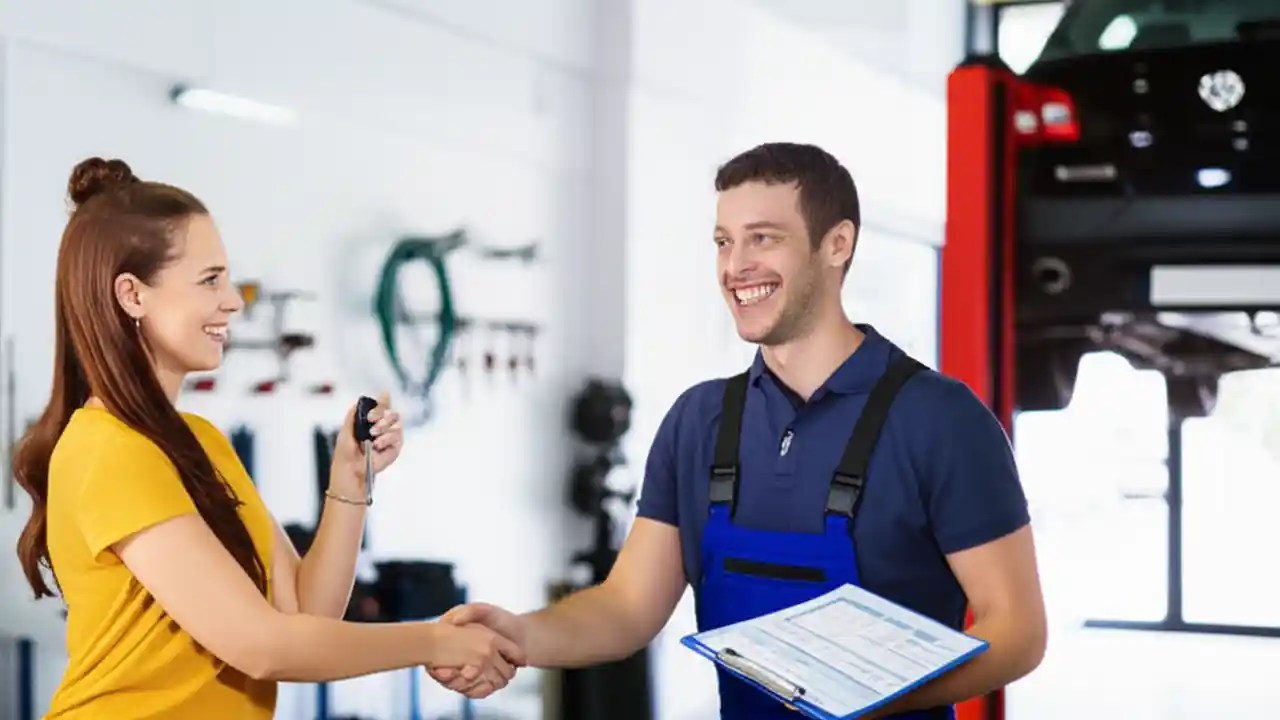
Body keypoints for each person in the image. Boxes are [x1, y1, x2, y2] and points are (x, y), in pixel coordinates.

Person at [429, 142, 1047, 718]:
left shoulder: (939, 420)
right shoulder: (699, 422)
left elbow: (1016, 630)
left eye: (763, 239)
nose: (735, 266)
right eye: (724, 242)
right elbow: (626, 608)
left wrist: (863, 703)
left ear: (837, 245)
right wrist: (522, 635)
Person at [13, 157, 524, 719]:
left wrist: (349, 480)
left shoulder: (200, 440)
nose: (233, 301)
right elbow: (259, 646)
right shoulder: (107, 449)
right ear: (133, 295)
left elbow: (304, 611)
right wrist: (433, 641)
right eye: (210, 280)